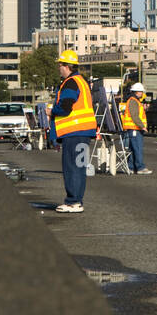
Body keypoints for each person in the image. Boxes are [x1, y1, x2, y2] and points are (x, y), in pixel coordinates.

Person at [51, 49, 97, 213]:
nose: (59, 68)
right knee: (80, 166)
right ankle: (77, 201)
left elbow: (65, 107)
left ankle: (72, 201)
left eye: (60, 65)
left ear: (66, 66)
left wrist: (52, 111)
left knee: (72, 167)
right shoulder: (81, 81)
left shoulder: (70, 83)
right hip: (84, 133)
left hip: (74, 133)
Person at [121, 82, 151, 175]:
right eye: (141, 91)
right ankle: (140, 167)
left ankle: (131, 167)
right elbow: (134, 116)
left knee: (133, 149)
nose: (142, 93)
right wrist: (142, 126)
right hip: (135, 128)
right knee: (137, 148)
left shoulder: (134, 100)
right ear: (137, 92)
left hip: (134, 128)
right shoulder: (133, 101)